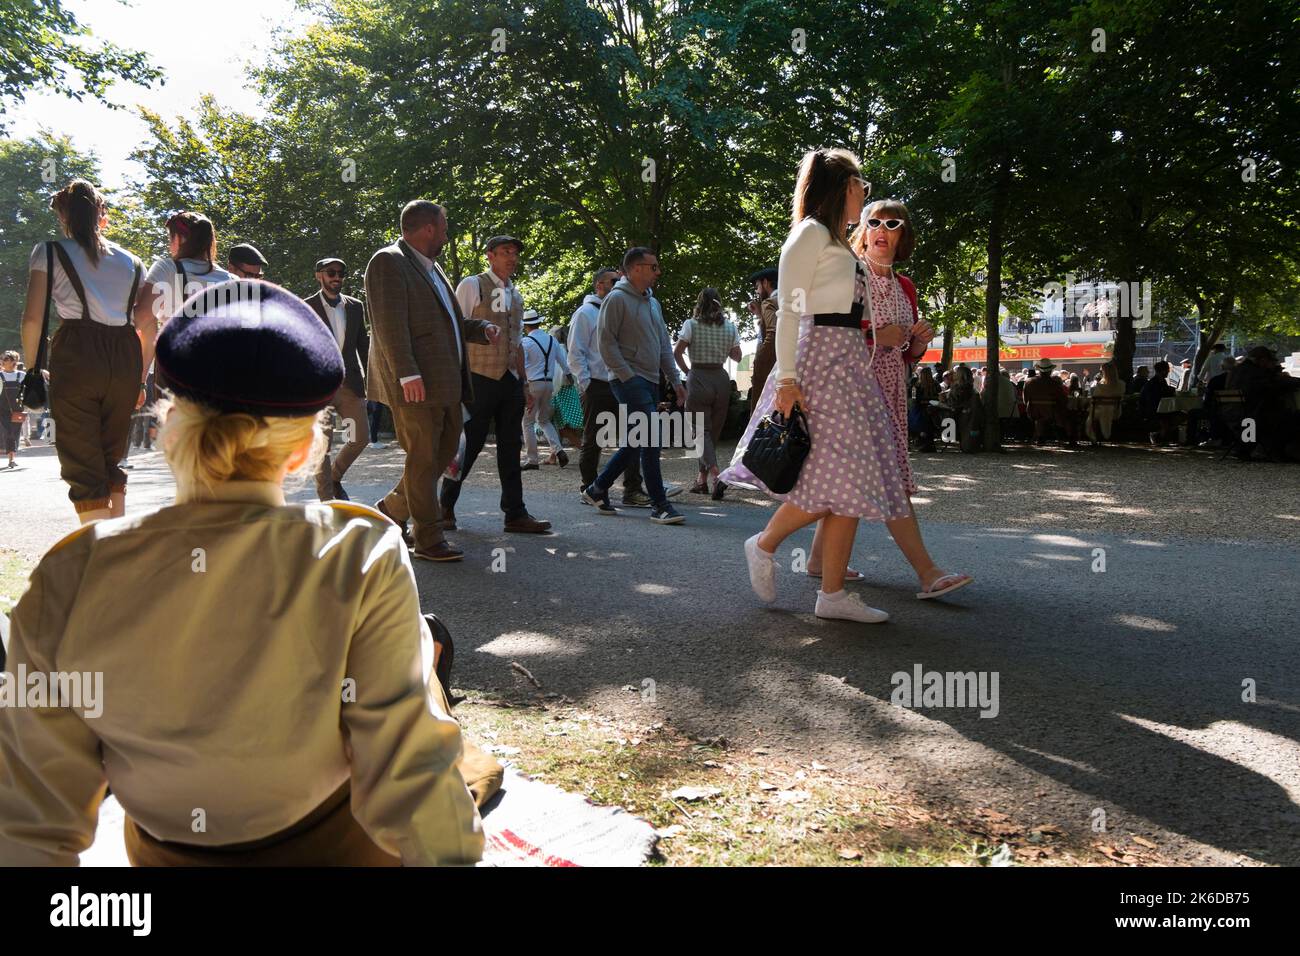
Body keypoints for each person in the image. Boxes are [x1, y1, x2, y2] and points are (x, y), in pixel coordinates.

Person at [0, 281, 487, 866]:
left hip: (164, 855)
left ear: (168, 426)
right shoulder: (360, 551)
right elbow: (409, 775)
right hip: (338, 849)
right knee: (429, 695)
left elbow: (29, 822)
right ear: (307, 445)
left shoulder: (70, 573)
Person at [721, 148, 912, 623]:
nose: (864, 196)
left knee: (851, 477)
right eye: (860, 187)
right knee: (844, 475)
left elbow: (853, 314)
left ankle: (830, 593)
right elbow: (789, 311)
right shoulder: (808, 235)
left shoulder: (838, 244)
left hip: (846, 363)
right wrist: (786, 379)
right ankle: (766, 545)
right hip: (819, 364)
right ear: (843, 188)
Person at [804, 197, 972, 598]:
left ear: (903, 235)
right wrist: (876, 335)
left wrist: (916, 343)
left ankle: (813, 561)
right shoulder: (850, 271)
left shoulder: (906, 286)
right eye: (873, 221)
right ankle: (928, 572)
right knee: (887, 481)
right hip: (851, 388)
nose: (882, 229)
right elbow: (823, 330)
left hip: (891, 390)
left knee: (847, 480)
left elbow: (908, 356)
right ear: (862, 231)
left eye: (892, 223)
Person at [365, 200, 499, 562]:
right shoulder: (387, 262)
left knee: (440, 455)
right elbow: (389, 325)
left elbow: (447, 323)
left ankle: (392, 508)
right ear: (428, 229)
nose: (446, 232)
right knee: (424, 458)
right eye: (443, 226)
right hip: (415, 383)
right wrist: (407, 372)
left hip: (445, 382)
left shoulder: (433, 269)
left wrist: (480, 329)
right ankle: (427, 538)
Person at [19, 179, 150, 522]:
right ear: (101, 216)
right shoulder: (134, 262)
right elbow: (146, 323)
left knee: (80, 453)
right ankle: (118, 539)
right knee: (113, 451)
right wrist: (140, 378)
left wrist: (32, 368)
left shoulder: (48, 251)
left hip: (77, 353)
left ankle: (100, 549)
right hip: (125, 354)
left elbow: (32, 319)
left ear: (64, 216)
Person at [439, 235, 551, 535]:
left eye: (514, 253)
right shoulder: (472, 285)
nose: (512, 257)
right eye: (505, 252)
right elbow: (454, 329)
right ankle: (444, 507)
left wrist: (524, 384)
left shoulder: (515, 294)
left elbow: (515, 343)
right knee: (468, 446)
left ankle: (515, 514)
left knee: (511, 448)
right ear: (490, 255)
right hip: (477, 378)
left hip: (510, 381)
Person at [581, 246, 687, 525]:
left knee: (640, 438)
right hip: (629, 380)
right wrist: (627, 375)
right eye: (653, 267)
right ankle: (660, 505)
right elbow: (606, 343)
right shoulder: (615, 299)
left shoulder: (653, 302)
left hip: (651, 379)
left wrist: (675, 381)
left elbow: (664, 345)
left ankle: (598, 488)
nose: (658, 272)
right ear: (636, 269)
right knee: (650, 436)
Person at [569, 267, 647, 504]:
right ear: (599, 285)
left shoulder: (619, 310)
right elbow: (575, 352)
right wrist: (586, 384)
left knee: (634, 437)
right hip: (598, 385)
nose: (620, 283)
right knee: (594, 439)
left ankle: (632, 490)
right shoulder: (585, 313)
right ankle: (590, 489)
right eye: (615, 281)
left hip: (621, 383)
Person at [304, 256, 370, 500]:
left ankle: (334, 476)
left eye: (341, 273)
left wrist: (371, 380)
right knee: (323, 446)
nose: (337, 278)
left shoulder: (355, 306)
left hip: (350, 385)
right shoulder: (306, 306)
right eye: (331, 273)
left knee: (359, 437)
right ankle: (327, 500)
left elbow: (363, 345)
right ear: (319, 275)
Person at [674, 287, 741, 499]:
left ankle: (716, 475)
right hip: (721, 380)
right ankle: (701, 481)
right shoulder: (730, 327)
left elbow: (677, 352)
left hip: (698, 378)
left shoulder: (690, 325)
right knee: (711, 434)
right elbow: (737, 357)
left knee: (700, 433)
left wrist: (688, 373)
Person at [136, 211, 234, 336]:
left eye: (170, 239)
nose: (169, 246)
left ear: (179, 238)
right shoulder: (229, 278)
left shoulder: (167, 268)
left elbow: (143, 316)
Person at [1226, 346, 1300, 460]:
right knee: (1292, 417)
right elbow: (1272, 385)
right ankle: (1278, 451)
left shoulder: (1238, 370)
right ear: (1263, 360)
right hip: (1250, 415)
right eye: (1269, 361)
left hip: (1233, 413)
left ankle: (1273, 450)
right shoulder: (1254, 372)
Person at [520, 309, 568, 469]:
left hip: (533, 384)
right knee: (544, 419)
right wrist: (568, 376)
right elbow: (563, 363)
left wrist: (523, 386)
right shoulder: (552, 340)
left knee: (527, 422)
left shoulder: (525, 342)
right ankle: (559, 450)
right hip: (549, 384)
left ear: (525, 326)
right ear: (539, 323)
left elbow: (523, 367)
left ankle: (532, 460)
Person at [746, 267, 779, 411]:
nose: (758, 292)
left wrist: (758, 362)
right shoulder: (789, 301)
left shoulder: (769, 303)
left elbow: (773, 335)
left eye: (757, 287)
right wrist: (760, 315)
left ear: (766, 282)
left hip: (769, 375)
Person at [1024, 358, 1069, 444]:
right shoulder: (1055, 383)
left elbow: (1025, 399)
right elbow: (1063, 399)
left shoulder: (1029, 382)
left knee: (1040, 417)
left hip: (1034, 412)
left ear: (1039, 370)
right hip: (1052, 412)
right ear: (1051, 371)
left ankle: (1039, 436)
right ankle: (1065, 435)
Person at [1139, 360, 1178, 444]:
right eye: (1167, 370)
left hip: (1154, 409)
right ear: (1163, 371)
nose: (1168, 372)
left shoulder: (1155, 382)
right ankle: (1161, 435)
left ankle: (1160, 435)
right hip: (1155, 410)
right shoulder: (1155, 384)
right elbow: (1158, 398)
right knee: (1176, 416)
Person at [1086, 361, 1124, 443]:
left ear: (1104, 373)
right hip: (1116, 412)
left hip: (1100, 412)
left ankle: (1094, 436)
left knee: (1090, 413)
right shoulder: (1121, 384)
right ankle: (1107, 436)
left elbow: (1093, 399)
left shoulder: (1100, 386)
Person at [0, 352, 25, 469]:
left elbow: (30, 392)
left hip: (18, 410)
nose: (5, 361)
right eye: (4, 359)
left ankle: (12, 458)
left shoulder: (22, 375)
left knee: (14, 433)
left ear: (14, 361)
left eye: (7, 359)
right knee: (8, 432)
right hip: (2, 410)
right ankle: (11, 459)